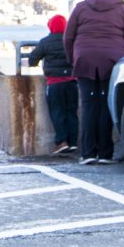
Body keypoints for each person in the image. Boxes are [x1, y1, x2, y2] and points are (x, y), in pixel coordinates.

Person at [64, 0, 124, 165]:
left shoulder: (81, 7)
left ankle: (87, 153)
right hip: (112, 61)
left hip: (85, 60)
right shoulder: (121, 9)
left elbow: (68, 37)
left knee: (88, 106)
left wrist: (73, 59)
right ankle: (105, 154)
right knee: (106, 105)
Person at [28, 14, 78, 154]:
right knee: (71, 113)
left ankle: (62, 142)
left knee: (57, 112)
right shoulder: (71, 41)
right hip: (72, 82)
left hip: (55, 83)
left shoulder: (46, 42)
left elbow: (32, 60)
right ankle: (73, 142)